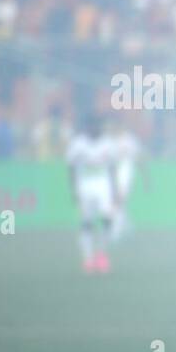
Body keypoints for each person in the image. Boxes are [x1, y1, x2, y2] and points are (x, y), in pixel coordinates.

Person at [65, 115, 117, 273]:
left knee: (107, 219)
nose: (94, 129)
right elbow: (71, 167)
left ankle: (101, 254)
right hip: (85, 186)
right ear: (86, 127)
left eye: (97, 126)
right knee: (86, 222)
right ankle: (88, 258)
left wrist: (114, 189)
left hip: (103, 186)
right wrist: (74, 189)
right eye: (91, 126)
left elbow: (112, 167)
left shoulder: (108, 143)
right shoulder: (78, 144)